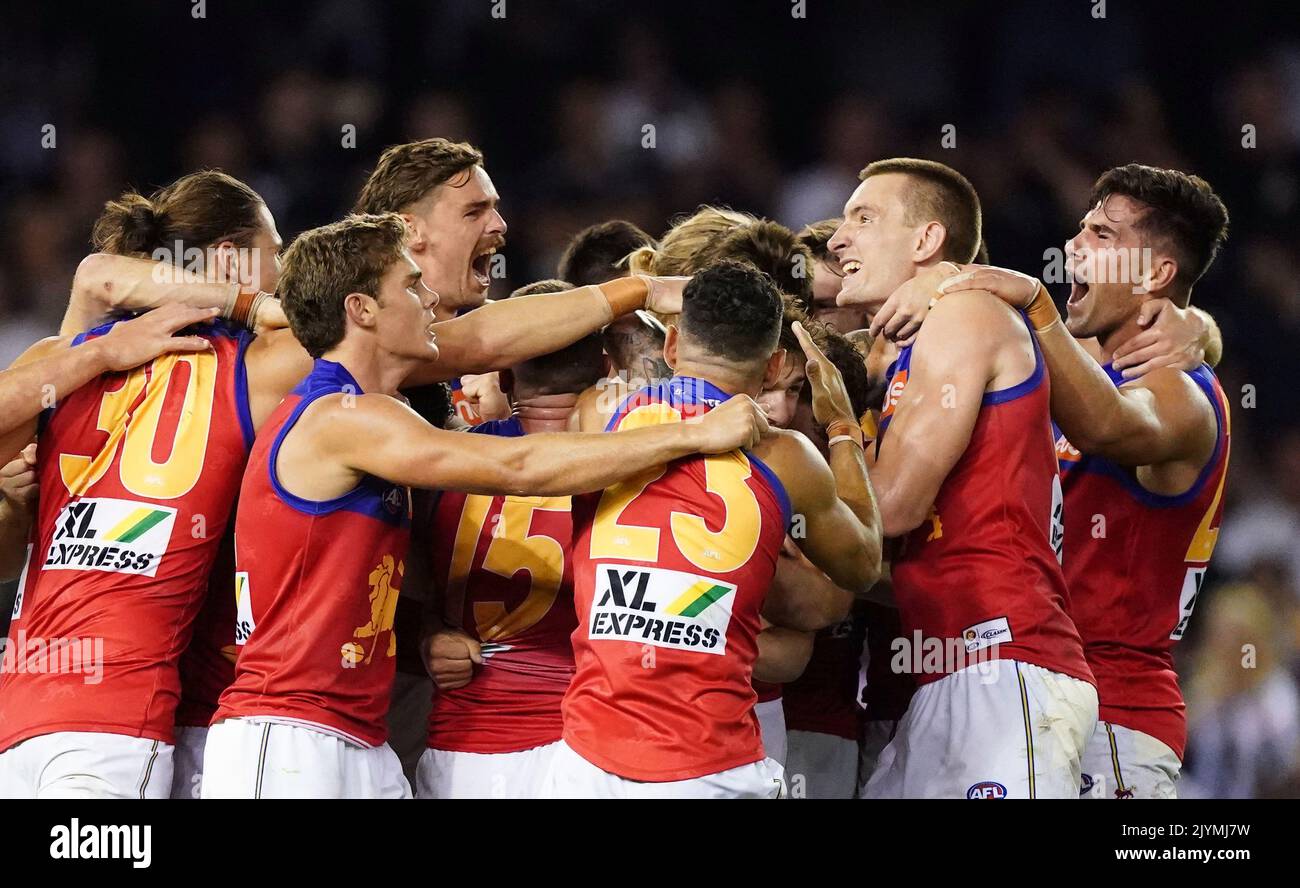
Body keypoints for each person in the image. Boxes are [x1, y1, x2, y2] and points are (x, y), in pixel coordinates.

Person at [201, 216, 770, 798]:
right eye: (411, 284)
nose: (430, 298)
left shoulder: (363, 410)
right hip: (289, 734)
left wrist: (642, 290)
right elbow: (515, 468)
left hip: (351, 734)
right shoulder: (341, 416)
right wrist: (691, 436)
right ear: (362, 309)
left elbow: (484, 338)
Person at [924, 164, 1232, 798]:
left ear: (1153, 273)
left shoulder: (1180, 394)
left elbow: (1109, 426)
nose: (1075, 246)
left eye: (1102, 234)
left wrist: (1036, 305)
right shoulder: (1085, 364)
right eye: (1080, 229)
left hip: (1115, 718)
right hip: (1031, 689)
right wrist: (1200, 324)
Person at [546, 260, 883, 798]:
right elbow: (863, 564)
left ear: (675, 346)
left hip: (589, 760)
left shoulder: (601, 416)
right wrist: (843, 427)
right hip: (714, 766)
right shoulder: (787, 454)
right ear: (774, 368)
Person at [833, 157, 1096, 799]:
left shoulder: (966, 315)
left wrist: (831, 424)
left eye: (863, 218)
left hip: (1005, 667)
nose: (839, 239)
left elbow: (889, 508)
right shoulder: (912, 352)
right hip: (954, 670)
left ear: (927, 241)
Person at [418, 279, 601, 798]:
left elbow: (402, 584)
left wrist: (432, 633)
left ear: (503, 373)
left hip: (460, 753)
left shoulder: (436, 460)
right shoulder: (633, 467)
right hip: (586, 749)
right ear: (608, 370)